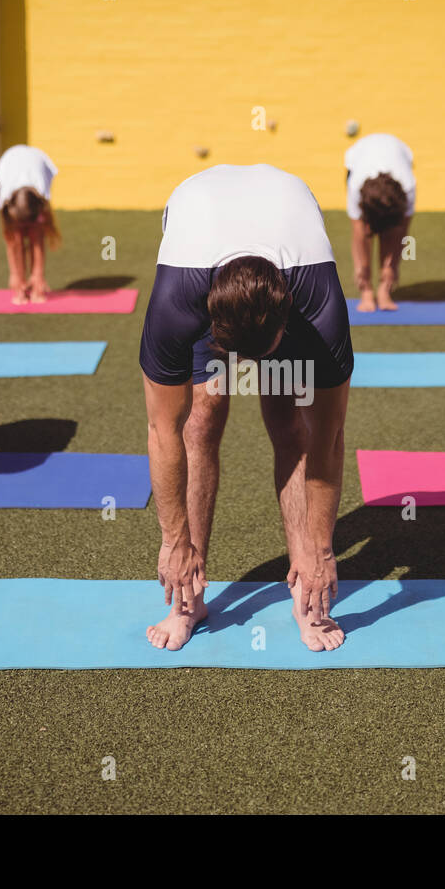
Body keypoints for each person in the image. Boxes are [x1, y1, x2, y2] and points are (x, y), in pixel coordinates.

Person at [139, 164, 354, 652]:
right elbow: (161, 430)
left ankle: (307, 592)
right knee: (200, 419)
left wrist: (322, 548)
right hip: (199, 232)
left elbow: (329, 437)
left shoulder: (319, 309)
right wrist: (175, 540)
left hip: (290, 249)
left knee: (289, 421)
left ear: (285, 326)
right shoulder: (177, 303)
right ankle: (187, 601)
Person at [344, 133, 415, 312]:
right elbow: (359, 232)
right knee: (365, 233)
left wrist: (392, 267)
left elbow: (402, 231)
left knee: (391, 232)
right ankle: (366, 290)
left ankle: (384, 290)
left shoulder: (408, 188)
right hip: (356, 159)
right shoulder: (356, 187)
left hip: (400, 154)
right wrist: (364, 271)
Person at [0, 144, 61, 304]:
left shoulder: (41, 190)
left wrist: (38, 275)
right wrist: (15, 275)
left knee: (36, 236)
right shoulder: (6, 197)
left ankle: (37, 284)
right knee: (16, 238)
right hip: (10, 162)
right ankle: (20, 286)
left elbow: (38, 241)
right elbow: (11, 242)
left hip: (38, 164)